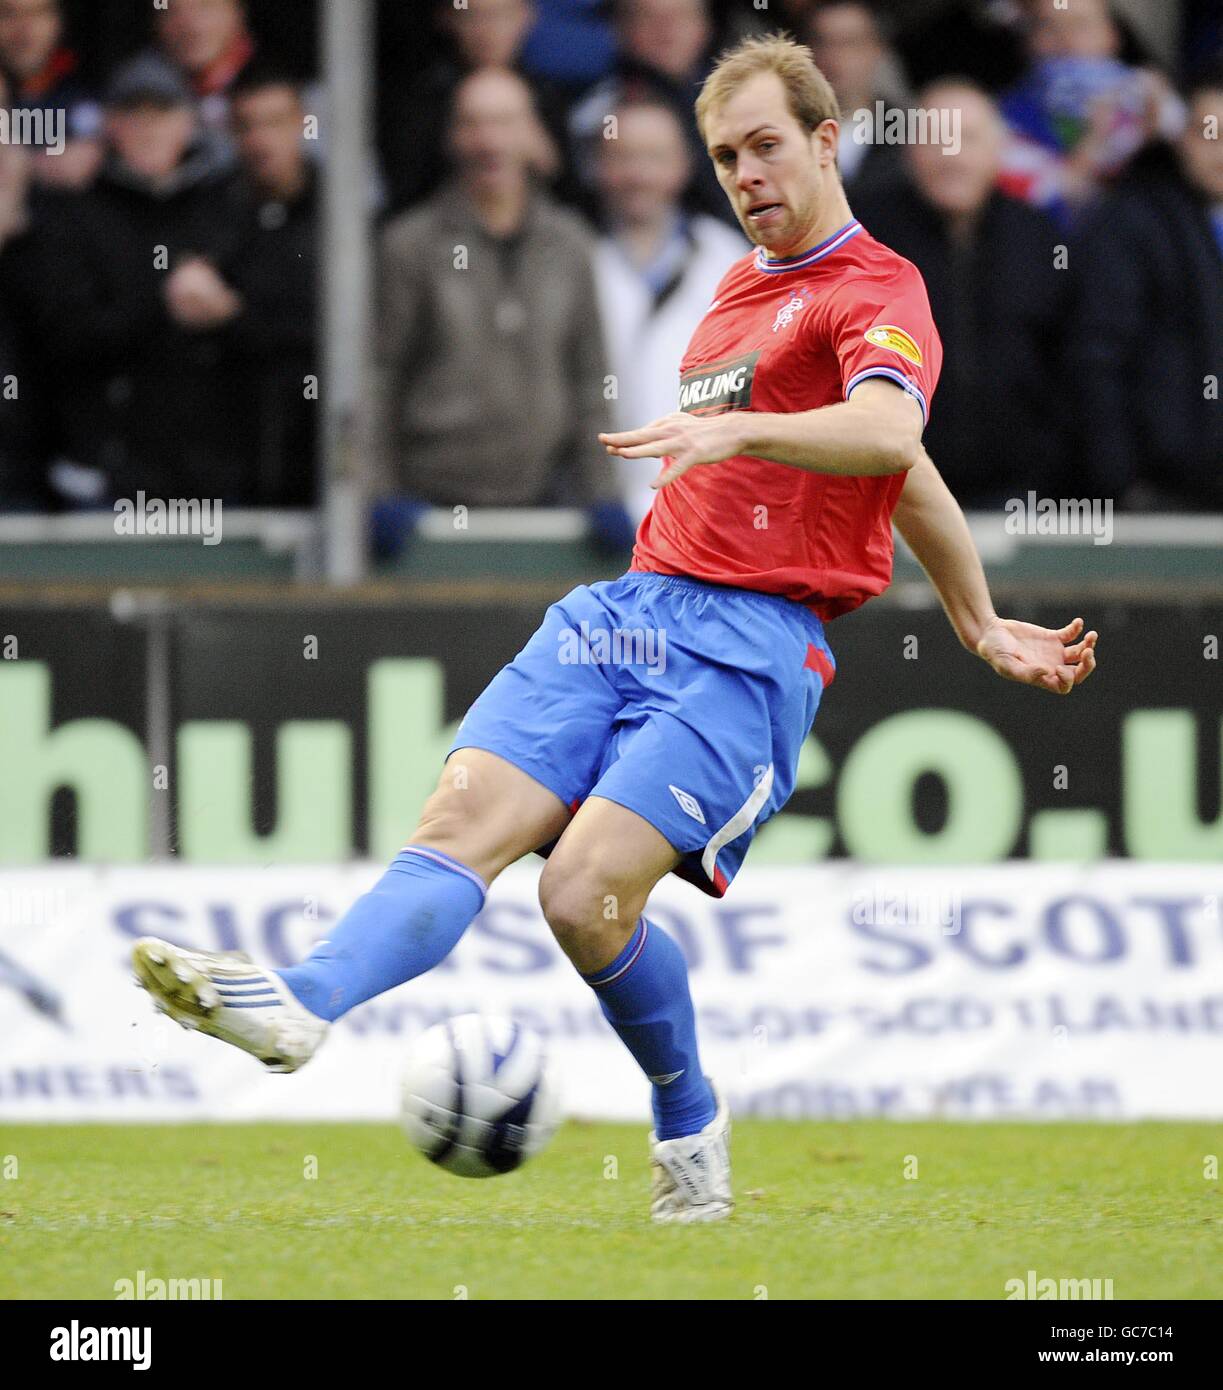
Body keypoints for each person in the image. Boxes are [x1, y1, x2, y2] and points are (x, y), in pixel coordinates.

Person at [132, 34, 1098, 1225]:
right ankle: (301, 1003)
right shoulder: (738, 291)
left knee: (582, 893)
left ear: (824, 140)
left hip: (751, 643)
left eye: (764, 146)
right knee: (459, 820)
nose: (745, 174)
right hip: (625, 612)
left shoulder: (877, 287)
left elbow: (890, 441)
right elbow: (903, 476)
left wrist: (758, 453)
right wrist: (977, 616)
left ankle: (688, 1113)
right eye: (724, 155)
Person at [367, 68, 625, 543]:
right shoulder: (410, 244)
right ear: (452, 137)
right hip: (426, 512)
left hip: (546, 505)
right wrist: (376, 491)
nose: (489, 140)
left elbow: (592, 377)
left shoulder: (569, 244)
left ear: (532, 134)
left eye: (505, 122)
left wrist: (602, 492)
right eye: (474, 123)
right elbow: (377, 376)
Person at [33, 54, 243, 507]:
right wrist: (163, 304)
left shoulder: (226, 205)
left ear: (189, 121)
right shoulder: (77, 212)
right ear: (109, 124)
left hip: (211, 467)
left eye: (163, 112)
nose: (148, 127)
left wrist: (229, 312)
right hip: (107, 468)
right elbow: (63, 332)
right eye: (133, 113)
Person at [853, 79, 1069, 507]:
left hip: (1020, 494)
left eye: (968, 140)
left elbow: (1071, 363)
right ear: (910, 152)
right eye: (936, 140)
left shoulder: (1040, 239)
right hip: (887, 490)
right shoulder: (865, 238)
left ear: (997, 153)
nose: (952, 157)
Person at [1065, 63, 1223, 510]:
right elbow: (1096, 358)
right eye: (1208, 134)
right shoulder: (1129, 223)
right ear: (1182, 142)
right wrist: (1122, 481)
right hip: (1165, 494)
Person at [592, 97, 746, 523]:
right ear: (599, 167)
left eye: (655, 158)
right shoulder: (574, 257)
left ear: (683, 165)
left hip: (709, 510)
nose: (639, 175)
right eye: (623, 158)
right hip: (597, 514)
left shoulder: (729, 258)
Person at [804, 1, 906, 197]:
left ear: (877, 51)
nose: (834, 57)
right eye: (822, 42)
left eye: (850, 43)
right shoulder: (777, 135)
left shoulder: (910, 139)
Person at [0, 0, 101, 188]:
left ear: (58, 21)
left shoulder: (86, 89)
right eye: (8, 14)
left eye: (38, 13)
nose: (25, 29)